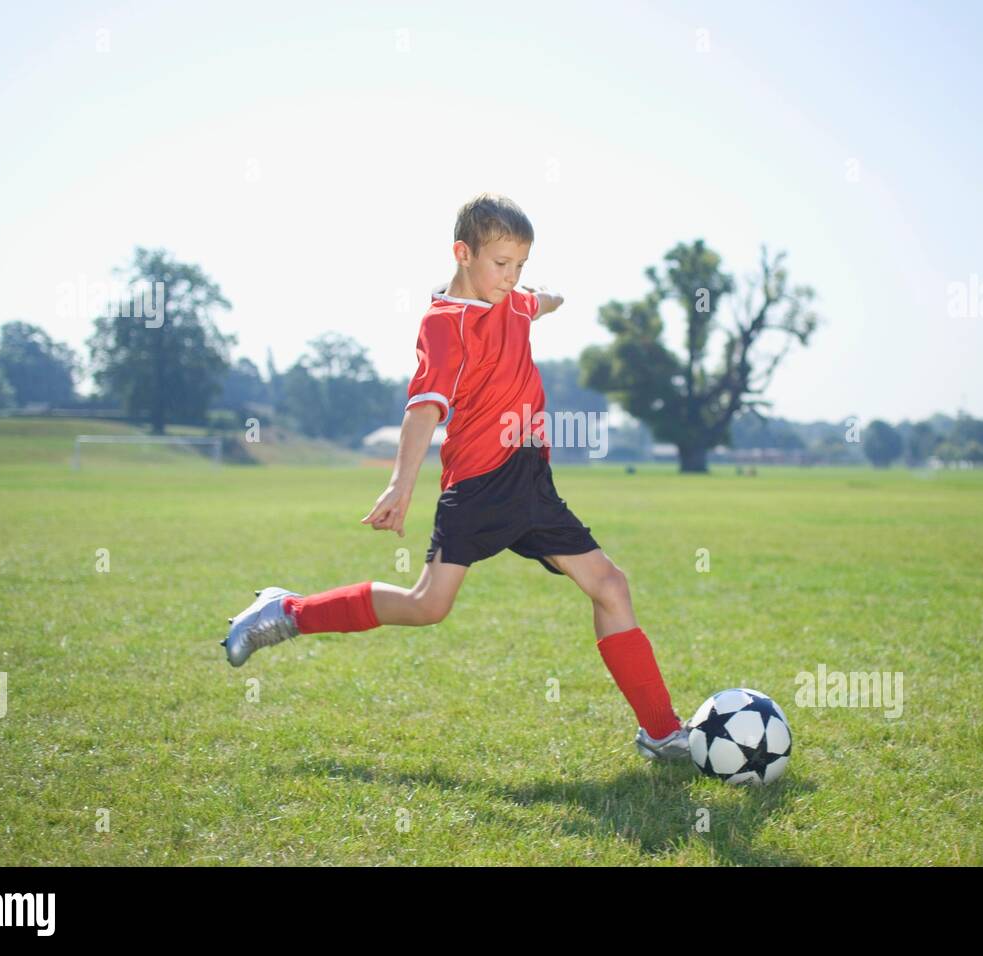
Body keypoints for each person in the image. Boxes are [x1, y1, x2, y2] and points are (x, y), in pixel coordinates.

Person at [221, 193, 689, 761]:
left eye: (521, 266)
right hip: (479, 486)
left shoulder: (515, 302)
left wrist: (547, 296)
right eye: (501, 264)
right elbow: (424, 409)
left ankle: (662, 733)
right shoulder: (444, 326)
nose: (511, 277)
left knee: (611, 585)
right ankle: (287, 612)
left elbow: (543, 302)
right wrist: (400, 485)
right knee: (427, 606)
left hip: (532, 483)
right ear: (462, 253)